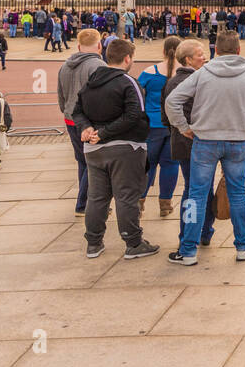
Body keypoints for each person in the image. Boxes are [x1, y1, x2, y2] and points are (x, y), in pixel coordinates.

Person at [164, 30, 245, 264]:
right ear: (239, 50)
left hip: (205, 141)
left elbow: (172, 101)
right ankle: (243, 246)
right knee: (238, 194)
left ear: (216, 50)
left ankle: (188, 249)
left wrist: (184, 127)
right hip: (237, 141)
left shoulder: (203, 73)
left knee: (196, 195)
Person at [72, 38, 159, 259]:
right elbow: (134, 115)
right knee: (126, 196)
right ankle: (133, 242)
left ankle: (93, 242)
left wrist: (86, 128)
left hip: (93, 149)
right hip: (125, 148)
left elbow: (76, 110)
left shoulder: (92, 82)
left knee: (97, 197)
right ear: (128, 58)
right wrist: (105, 132)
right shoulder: (128, 82)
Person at [161, 39, 217, 249]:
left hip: (181, 144)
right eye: (200, 54)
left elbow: (165, 116)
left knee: (191, 189)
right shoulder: (199, 81)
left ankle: (189, 231)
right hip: (200, 142)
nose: (205, 57)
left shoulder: (170, 82)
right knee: (202, 190)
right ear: (188, 59)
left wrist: (178, 132)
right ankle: (202, 231)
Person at [57, 29, 104, 215]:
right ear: (99, 45)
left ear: (78, 46)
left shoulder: (64, 66)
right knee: (92, 162)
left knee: (82, 162)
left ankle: (84, 202)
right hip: (90, 121)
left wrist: (68, 111)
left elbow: (61, 96)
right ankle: (83, 203)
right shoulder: (98, 65)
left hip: (70, 119)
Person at [138, 36, 180, 218]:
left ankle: (139, 202)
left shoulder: (150, 71)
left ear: (163, 51)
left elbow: (137, 96)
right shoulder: (184, 73)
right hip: (174, 125)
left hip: (152, 125)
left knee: (148, 165)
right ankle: (165, 203)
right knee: (170, 164)